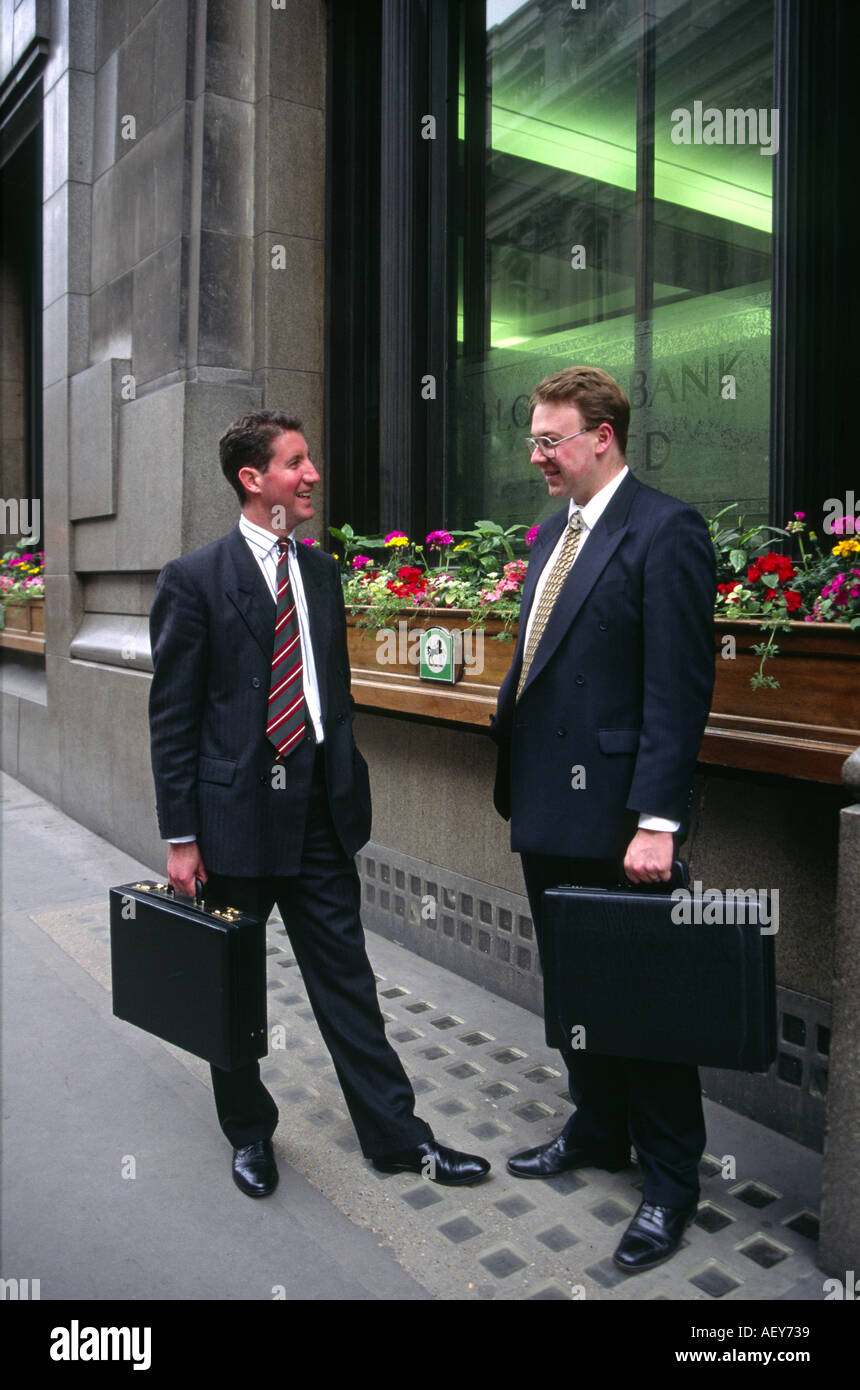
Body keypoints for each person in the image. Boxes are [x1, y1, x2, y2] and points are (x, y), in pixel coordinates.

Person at [148, 409, 490, 1198]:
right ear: (253, 479)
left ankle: (398, 1139)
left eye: (309, 461)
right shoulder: (194, 579)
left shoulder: (322, 571)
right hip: (233, 825)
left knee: (349, 985)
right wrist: (182, 837)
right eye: (296, 462)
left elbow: (329, 692)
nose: (311, 475)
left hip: (319, 820)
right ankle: (249, 1133)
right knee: (232, 992)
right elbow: (173, 718)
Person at [489, 366, 715, 1272]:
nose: (537, 455)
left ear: (602, 438)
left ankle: (669, 1183)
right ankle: (598, 1129)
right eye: (536, 439)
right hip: (546, 799)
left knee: (645, 1002)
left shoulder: (667, 531)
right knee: (576, 991)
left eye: (550, 439)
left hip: (621, 815)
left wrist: (659, 819)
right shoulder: (553, 533)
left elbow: (679, 689)